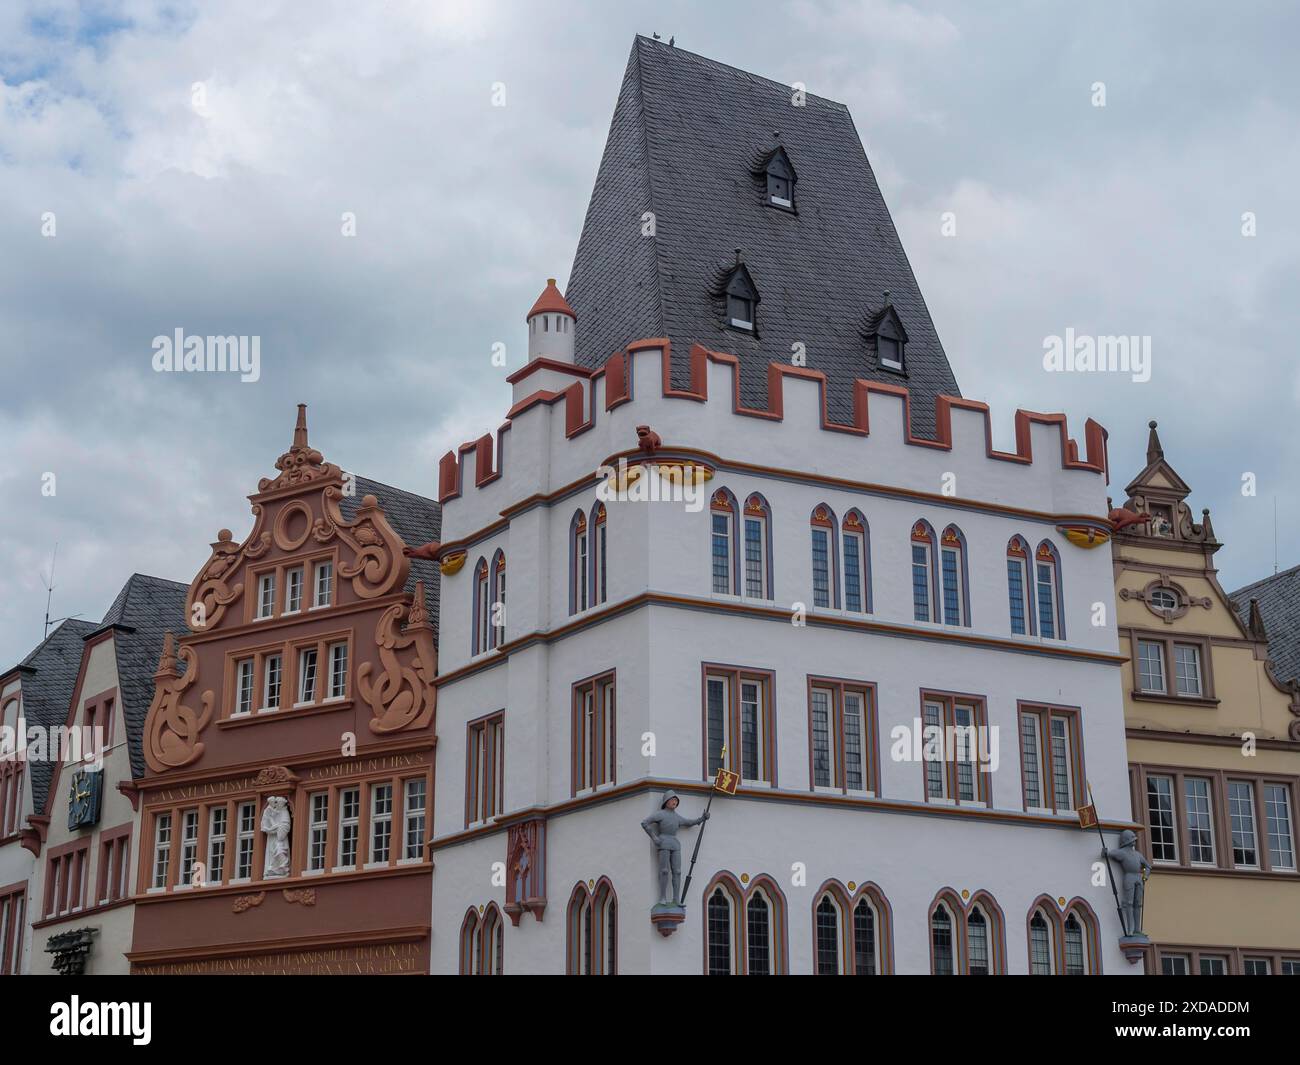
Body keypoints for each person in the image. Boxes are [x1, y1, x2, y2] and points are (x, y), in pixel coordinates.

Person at [640, 790, 709, 907]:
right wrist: (654, 837)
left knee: (677, 872)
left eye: (676, 800)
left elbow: (689, 822)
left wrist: (702, 819)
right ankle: (662, 897)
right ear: (666, 801)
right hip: (664, 842)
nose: (674, 802)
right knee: (664, 871)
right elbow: (645, 823)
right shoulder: (660, 814)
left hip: (675, 843)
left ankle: (676, 899)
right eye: (672, 799)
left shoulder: (676, 817)